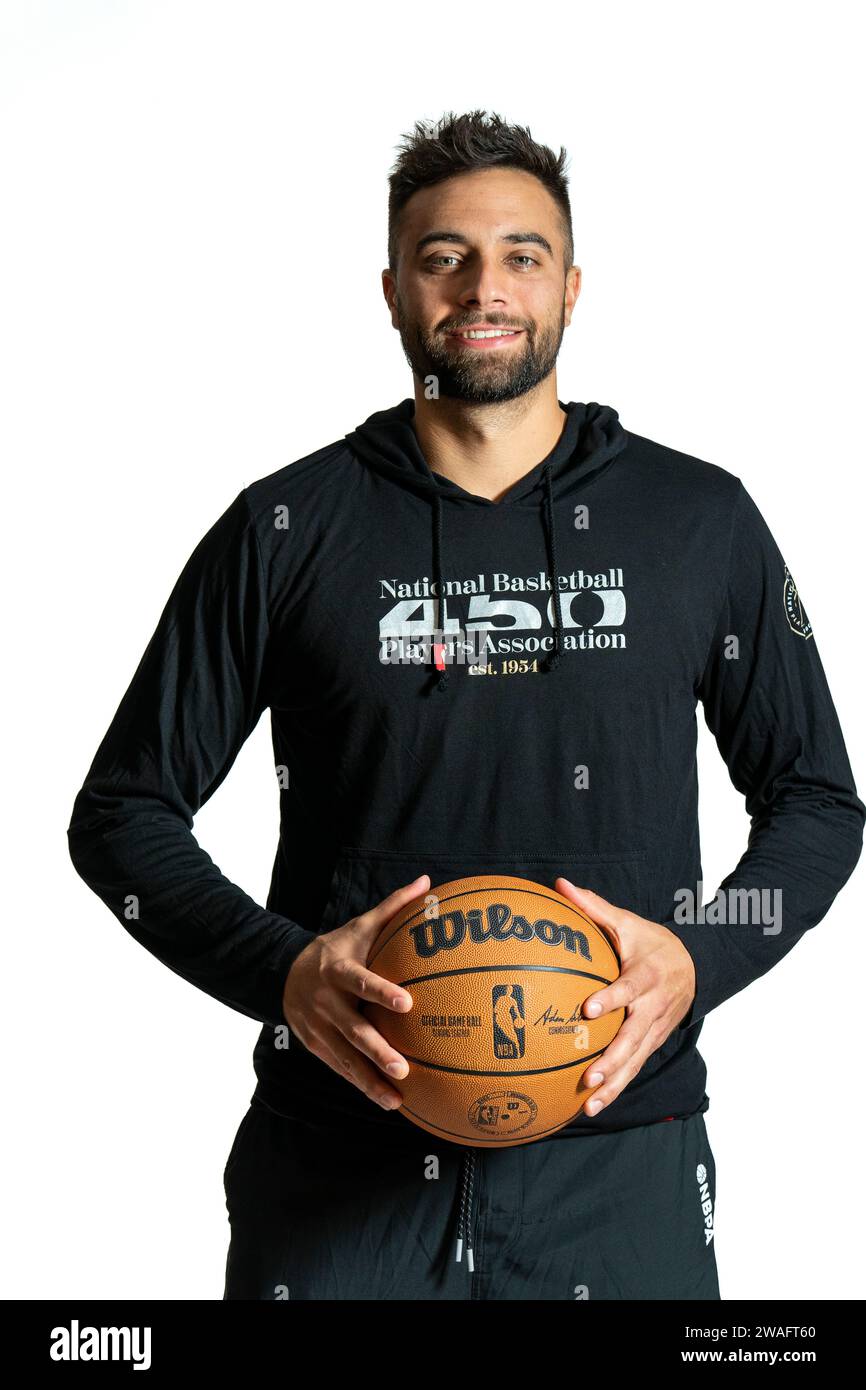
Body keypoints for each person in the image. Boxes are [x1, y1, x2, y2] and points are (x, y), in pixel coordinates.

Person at [67, 110, 864, 1301]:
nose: (483, 287)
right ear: (392, 289)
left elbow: (816, 803)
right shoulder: (285, 528)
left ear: (572, 286)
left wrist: (699, 953)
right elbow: (121, 814)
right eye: (443, 256)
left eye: (520, 254)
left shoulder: (695, 521)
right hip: (341, 1159)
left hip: (616, 1159)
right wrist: (284, 972)